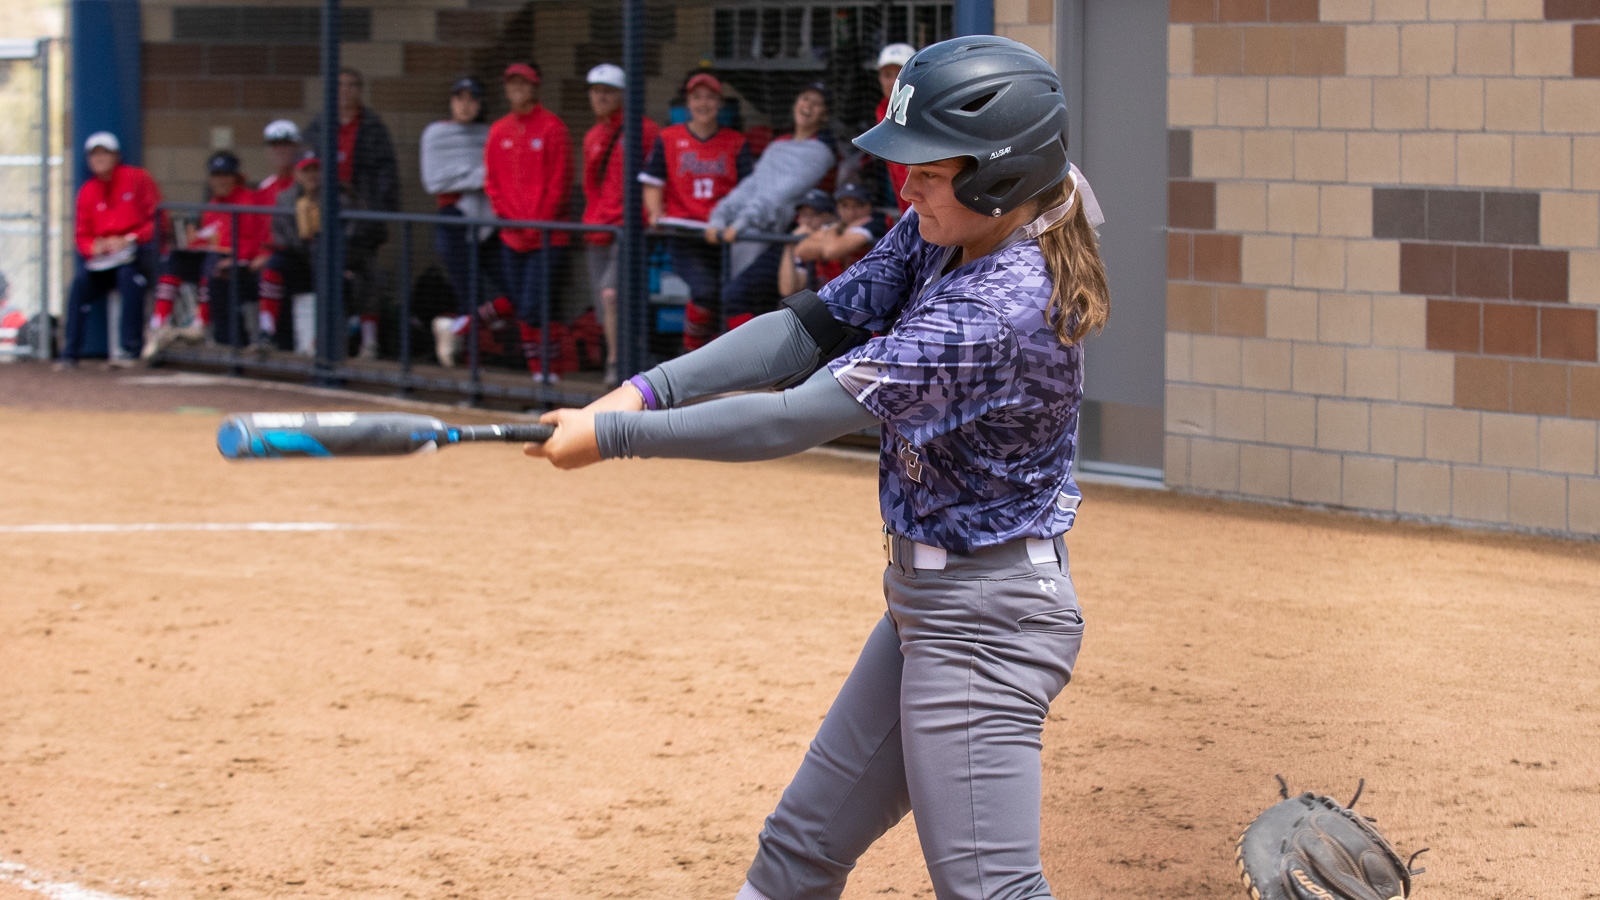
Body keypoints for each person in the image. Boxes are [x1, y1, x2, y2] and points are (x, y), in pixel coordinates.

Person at [525, 36, 1109, 900]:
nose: (903, 187)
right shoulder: (968, 224)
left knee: (991, 891)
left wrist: (614, 439)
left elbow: (796, 415)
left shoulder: (999, 309)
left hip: (987, 621)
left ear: (998, 176)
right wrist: (641, 392)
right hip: (925, 605)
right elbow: (809, 326)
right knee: (796, 857)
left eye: (928, 170)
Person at [697, 82, 836, 349]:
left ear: (824, 115)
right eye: (805, 98)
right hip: (755, 234)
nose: (808, 106)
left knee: (737, 297)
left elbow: (778, 197)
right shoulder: (779, 144)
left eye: (817, 104)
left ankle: (746, 360)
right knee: (737, 299)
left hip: (791, 238)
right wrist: (720, 217)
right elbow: (751, 186)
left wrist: (742, 224)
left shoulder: (821, 151)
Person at [640, 72, 753, 353]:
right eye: (697, 97)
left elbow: (749, 189)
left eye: (710, 97)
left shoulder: (736, 141)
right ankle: (692, 353)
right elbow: (653, 183)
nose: (704, 103)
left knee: (729, 299)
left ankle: (724, 361)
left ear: (720, 103)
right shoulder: (668, 138)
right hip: (685, 233)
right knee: (704, 292)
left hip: (723, 236)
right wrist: (655, 213)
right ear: (687, 103)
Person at [484, 61, 574, 382]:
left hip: (548, 237)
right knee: (524, 305)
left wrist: (539, 223)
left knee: (534, 305)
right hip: (512, 236)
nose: (518, 88)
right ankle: (539, 373)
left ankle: (551, 372)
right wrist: (508, 219)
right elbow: (492, 183)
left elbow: (560, 184)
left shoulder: (553, 128)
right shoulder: (498, 130)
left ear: (535, 87)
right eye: (512, 83)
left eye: (524, 83)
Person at [303, 67, 400, 360]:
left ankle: (369, 342)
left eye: (351, 85)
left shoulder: (372, 126)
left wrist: (374, 212)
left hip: (361, 216)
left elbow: (386, 175)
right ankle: (327, 339)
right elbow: (305, 168)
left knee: (366, 276)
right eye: (339, 85)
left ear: (360, 90)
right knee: (329, 277)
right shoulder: (319, 126)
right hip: (326, 216)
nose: (345, 91)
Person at [579, 63, 660, 387]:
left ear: (623, 95)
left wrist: (644, 215)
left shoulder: (645, 130)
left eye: (609, 91)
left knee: (613, 295)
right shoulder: (592, 135)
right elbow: (589, 184)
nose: (601, 97)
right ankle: (621, 360)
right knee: (604, 304)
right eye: (596, 91)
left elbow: (655, 178)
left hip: (629, 229)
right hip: (597, 229)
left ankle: (617, 365)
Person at [148, 150, 269, 353]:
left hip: (240, 264)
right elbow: (210, 238)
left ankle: (200, 323)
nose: (220, 181)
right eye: (216, 176)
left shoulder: (249, 200)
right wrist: (193, 242)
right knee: (174, 259)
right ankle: (158, 324)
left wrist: (234, 255)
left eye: (225, 175)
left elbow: (255, 240)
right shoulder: (212, 205)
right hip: (215, 262)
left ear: (235, 177)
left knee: (211, 261)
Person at [59, 131, 161, 369]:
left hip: (135, 254)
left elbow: (157, 219)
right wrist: (94, 247)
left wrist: (130, 238)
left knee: (130, 280)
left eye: (105, 153)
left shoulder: (137, 178)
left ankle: (130, 349)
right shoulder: (87, 191)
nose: (99, 158)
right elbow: (82, 236)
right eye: (94, 154)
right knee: (80, 286)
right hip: (103, 260)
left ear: (116, 156)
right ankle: (70, 353)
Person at [420, 76, 502, 368]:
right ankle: (469, 367)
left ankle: (452, 328)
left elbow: (501, 171)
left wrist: (475, 176)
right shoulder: (436, 134)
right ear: (452, 102)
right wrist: (480, 176)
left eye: (472, 99)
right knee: (469, 293)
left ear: (480, 104)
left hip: (490, 221)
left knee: (507, 297)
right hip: (454, 219)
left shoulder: (490, 132)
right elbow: (435, 180)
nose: (466, 105)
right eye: (460, 98)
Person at [257, 152, 342, 355]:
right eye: (306, 170)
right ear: (297, 174)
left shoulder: (338, 198)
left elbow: (351, 236)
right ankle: (266, 331)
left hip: (331, 264)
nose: (312, 175)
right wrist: (305, 233)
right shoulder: (285, 199)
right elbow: (282, 239)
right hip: (301, 263)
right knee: (274, 265)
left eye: (316, 170)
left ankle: (329, 349)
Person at [778, 181, 887, 297]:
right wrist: (835, 234)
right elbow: (801, 250)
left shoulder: (875, 222)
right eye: (845, 206)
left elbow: (832, 251)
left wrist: (828, 236)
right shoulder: (836, 227)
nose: (851, 212)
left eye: (859, 205)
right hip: (840, 295)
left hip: (872, 294)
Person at [872, 43, 916, 213]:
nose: (893, 82)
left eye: (899, 74)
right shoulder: (882, 110)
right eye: (887, 75)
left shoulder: (925, 109)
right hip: (904, 206)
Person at [256, 119, 303, 206]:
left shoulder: (307, 184)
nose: (280, 150)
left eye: (286, 144)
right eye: (275, 144)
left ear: (297, 147)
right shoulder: (265, 187)